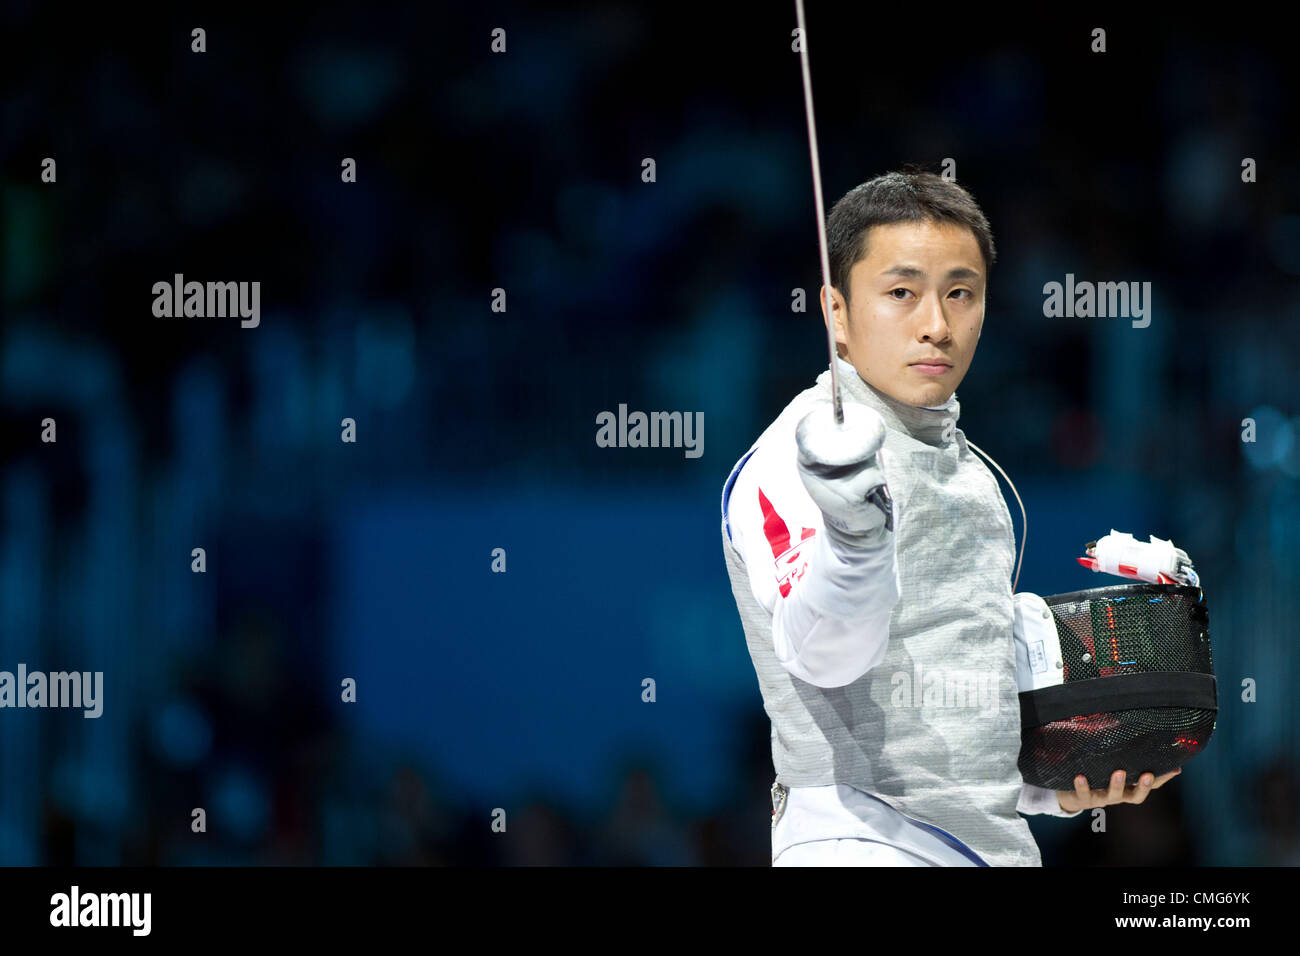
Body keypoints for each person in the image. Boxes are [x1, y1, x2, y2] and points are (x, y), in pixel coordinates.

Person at [719, 170, 1179, 867]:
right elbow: (821, 655)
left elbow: (952, 708)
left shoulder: (970, 470)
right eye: (900, 293)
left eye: (959, 293)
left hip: (982, 849)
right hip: (863, 842)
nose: (936, 324)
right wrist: (853, 541)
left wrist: (1053, 782)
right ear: (836, 312)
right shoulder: (801, 455)